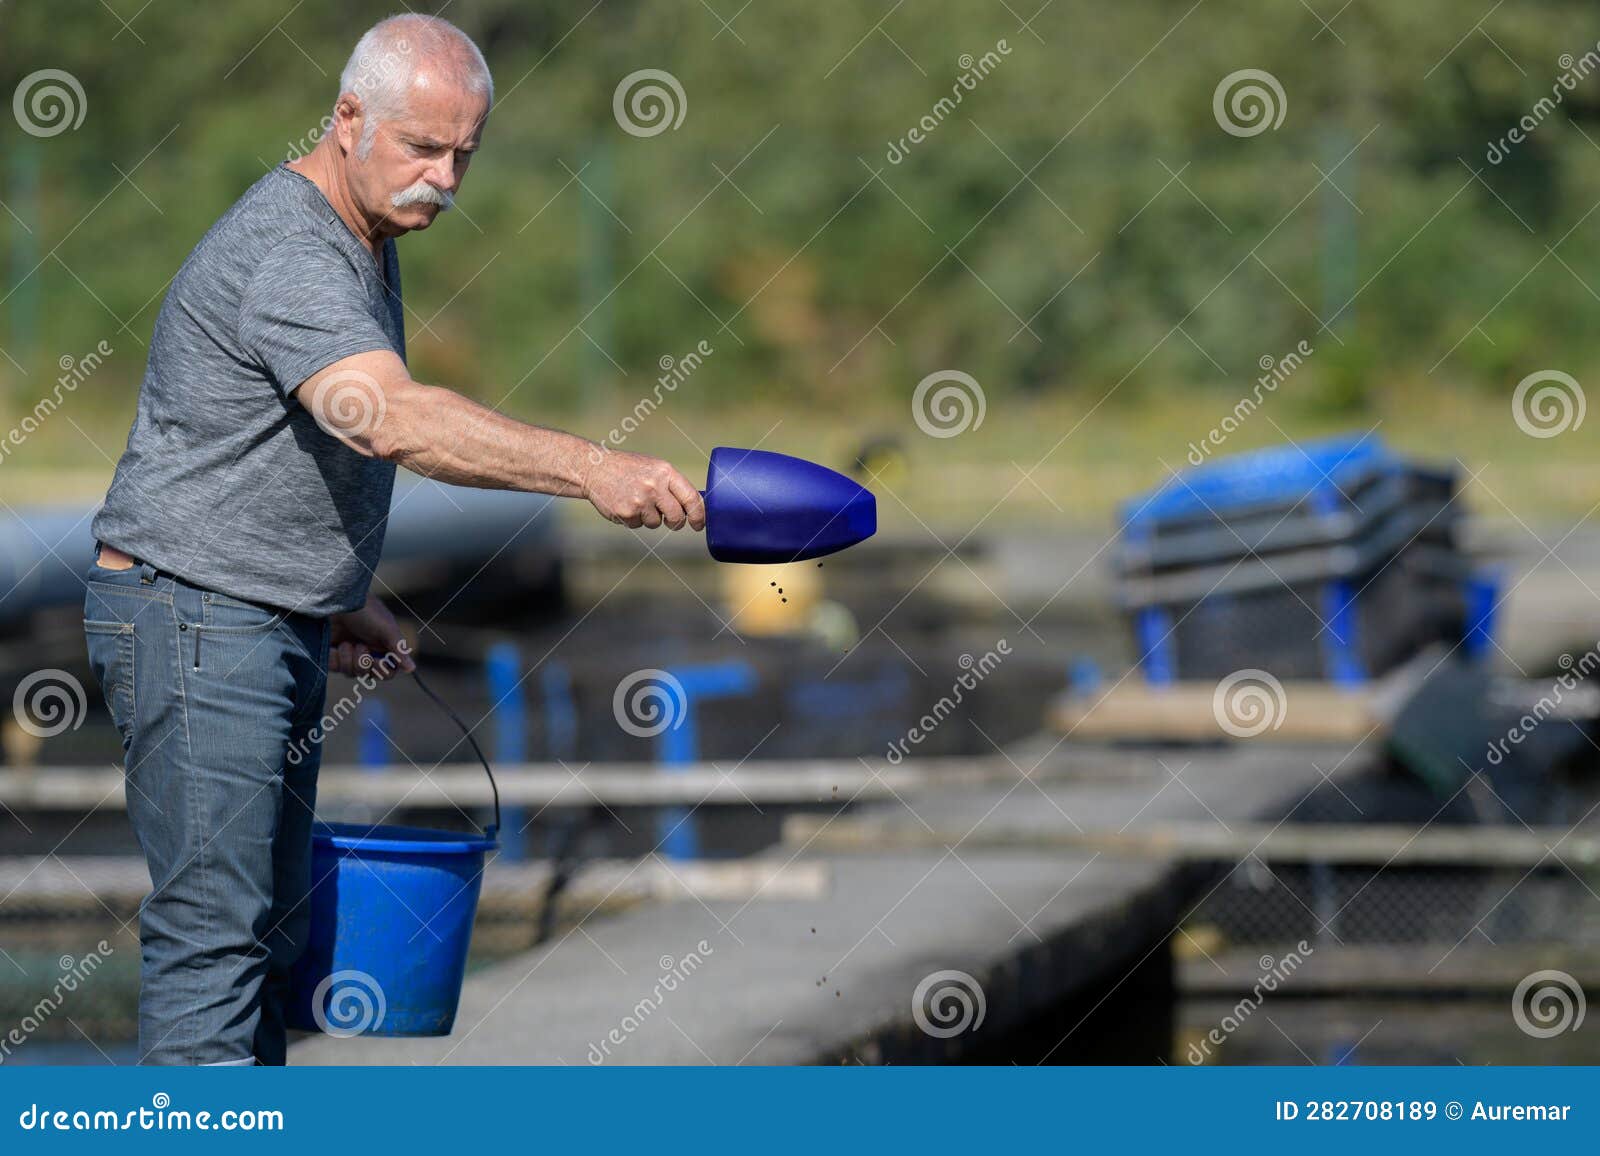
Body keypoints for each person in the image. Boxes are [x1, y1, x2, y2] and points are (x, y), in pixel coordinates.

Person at [83, 13, 703, 1066]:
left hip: (253, 609)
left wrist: (329, 592)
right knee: (214, 940)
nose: (444, 181)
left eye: (464, 154)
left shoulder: (362, 232)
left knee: (269, 935)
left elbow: (254, 450)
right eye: (422, 148)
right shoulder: (292, 251)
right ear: (348, 117)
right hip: (190, 617)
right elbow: (388, 416)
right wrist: (592, 468)